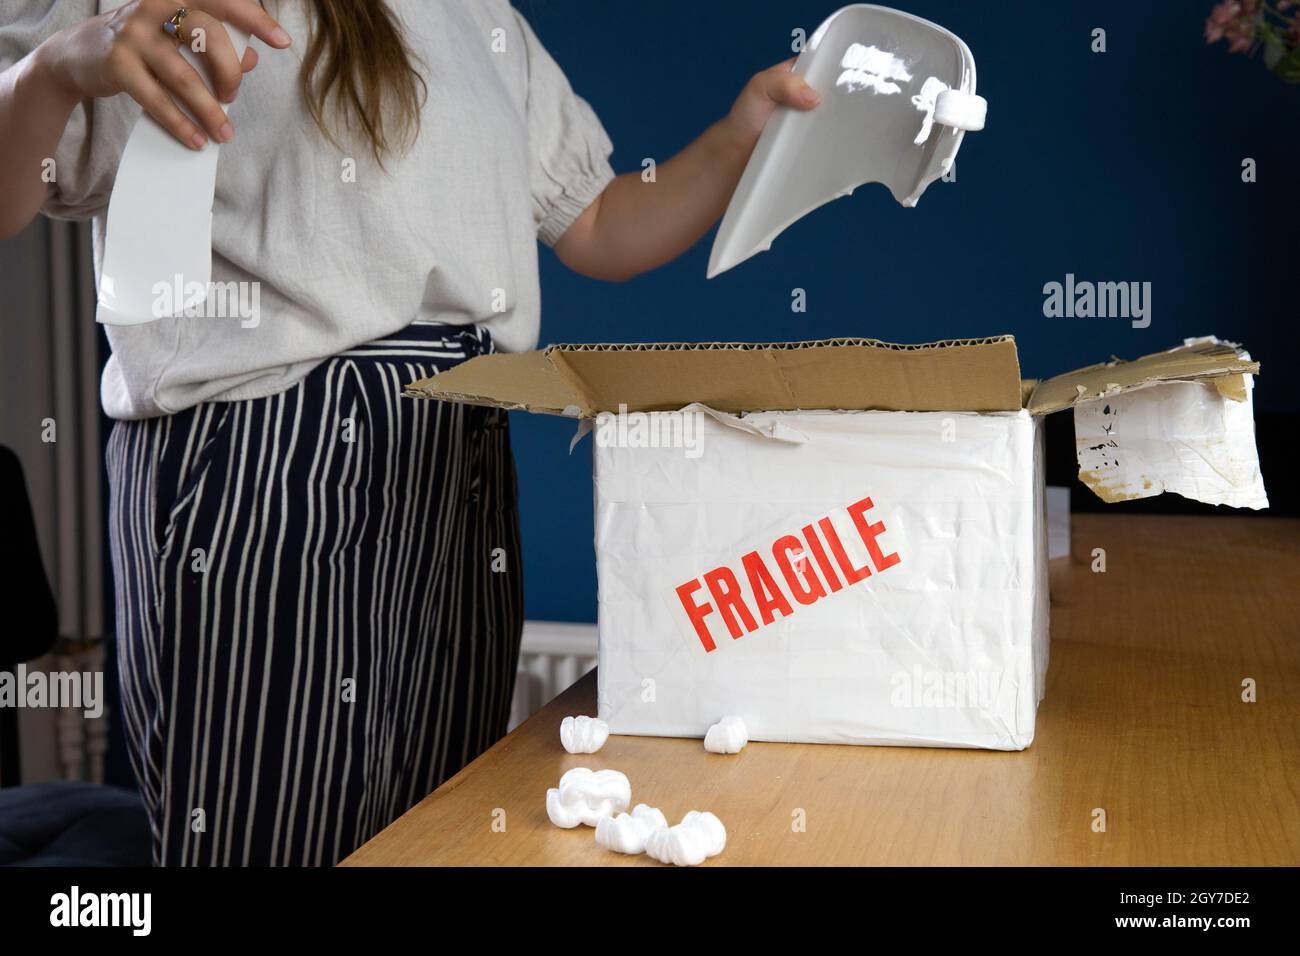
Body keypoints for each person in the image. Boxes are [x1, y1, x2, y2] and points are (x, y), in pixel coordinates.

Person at [0, 0, 821, 865]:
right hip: (263, 458)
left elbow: (600, 225)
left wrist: (743, 134)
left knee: (437, 838)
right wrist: (55, 69)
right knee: (273, 840)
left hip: (457, 451)